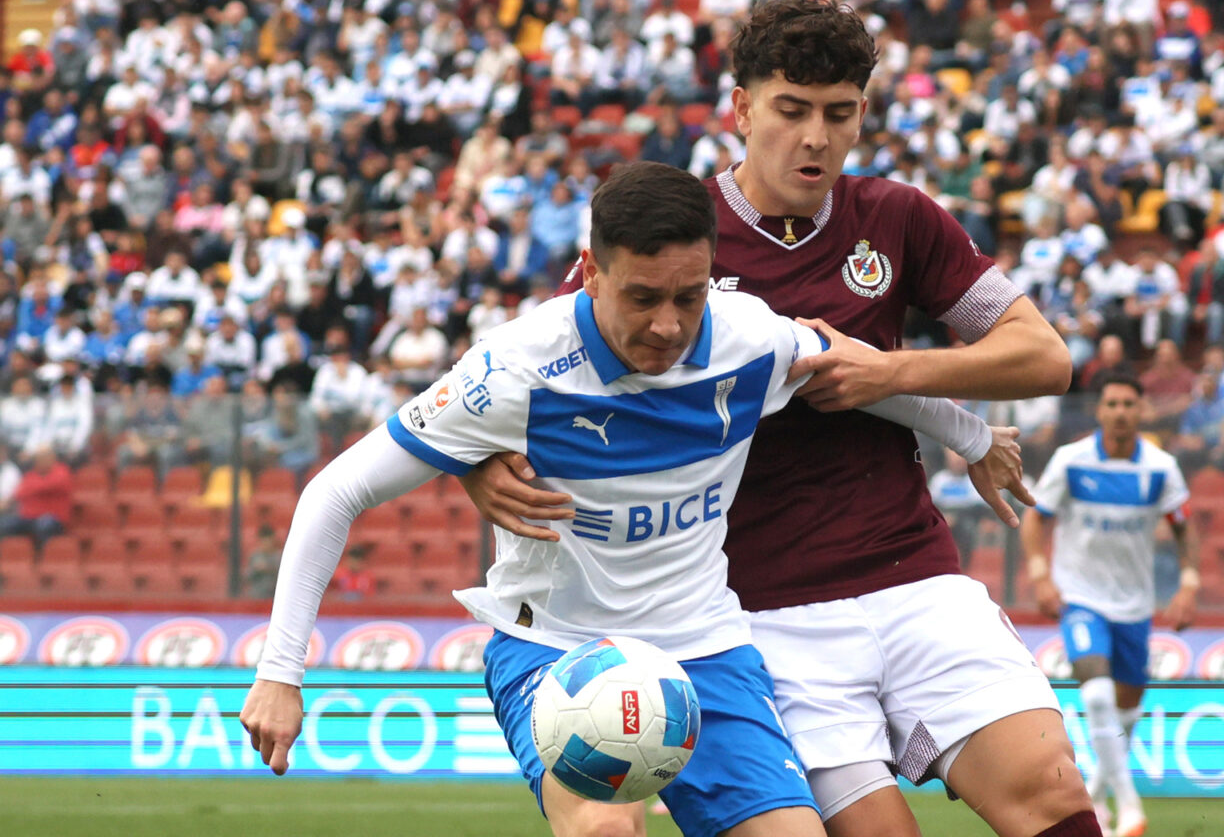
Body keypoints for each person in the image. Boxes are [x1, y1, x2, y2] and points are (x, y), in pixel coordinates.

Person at [458, 0, 1093, 837]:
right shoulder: (675, 236)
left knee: (1049, 788)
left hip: (915, 573)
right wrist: (479, 463)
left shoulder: (898, 219)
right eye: (792, 111)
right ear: (743, 108)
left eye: (839, 114)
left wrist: (895, 375)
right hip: (763, 607)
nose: (816, 138)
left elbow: (1043, 356)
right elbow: (546, 370)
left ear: (863, 113)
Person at [240, 163, 1025, 837]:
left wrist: (974, 436)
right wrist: (281, 671)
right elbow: (336, 491)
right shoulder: (519, 370)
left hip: (708, 647)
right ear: (593, 268)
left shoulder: (750, 337)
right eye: (643, 297)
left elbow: (864, 375)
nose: (667, 324)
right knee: (606, 824)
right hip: (560, 650)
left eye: (689, 296)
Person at [1021, 372, 1197, 837]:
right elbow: (1035, 520)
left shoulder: (1160, 468)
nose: (1120, 413)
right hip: (1081, 598)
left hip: (1135, 606)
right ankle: (1131, 807)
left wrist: (1189, 583)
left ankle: (1097, 797)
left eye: (1128, 405)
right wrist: (1040, 574)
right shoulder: (1070, 461)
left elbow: (1182, 526)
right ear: (1099, 411)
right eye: (1112, 404)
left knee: (1126, 711)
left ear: (1142, 412)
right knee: (1096, 694)